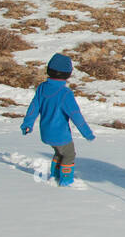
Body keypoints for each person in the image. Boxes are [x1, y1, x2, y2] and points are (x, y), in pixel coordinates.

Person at [21, 53, 95, 187]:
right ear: (68, 74)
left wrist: (27, 124)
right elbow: (76, 115)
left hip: (45, 132)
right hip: (60, 134)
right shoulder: (65, 93)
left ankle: (55, 175)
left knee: (58, 152)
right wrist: (87, 133)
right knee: (69, 155)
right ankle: (65, 181)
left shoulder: (42, 88)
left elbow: (34, 107)